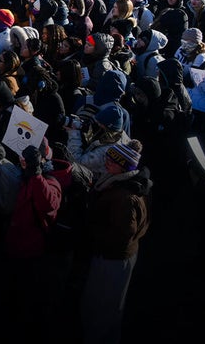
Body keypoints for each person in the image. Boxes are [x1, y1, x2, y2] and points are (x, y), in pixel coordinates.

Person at [82, 140, 151, 343]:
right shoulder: (118, 182)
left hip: (112, 259)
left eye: (111, 161)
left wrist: (93, 232)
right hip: (110, 255)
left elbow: (122, 236)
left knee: (104, 307)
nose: (106, 163)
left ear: (123, 166)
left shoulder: (125, 198)